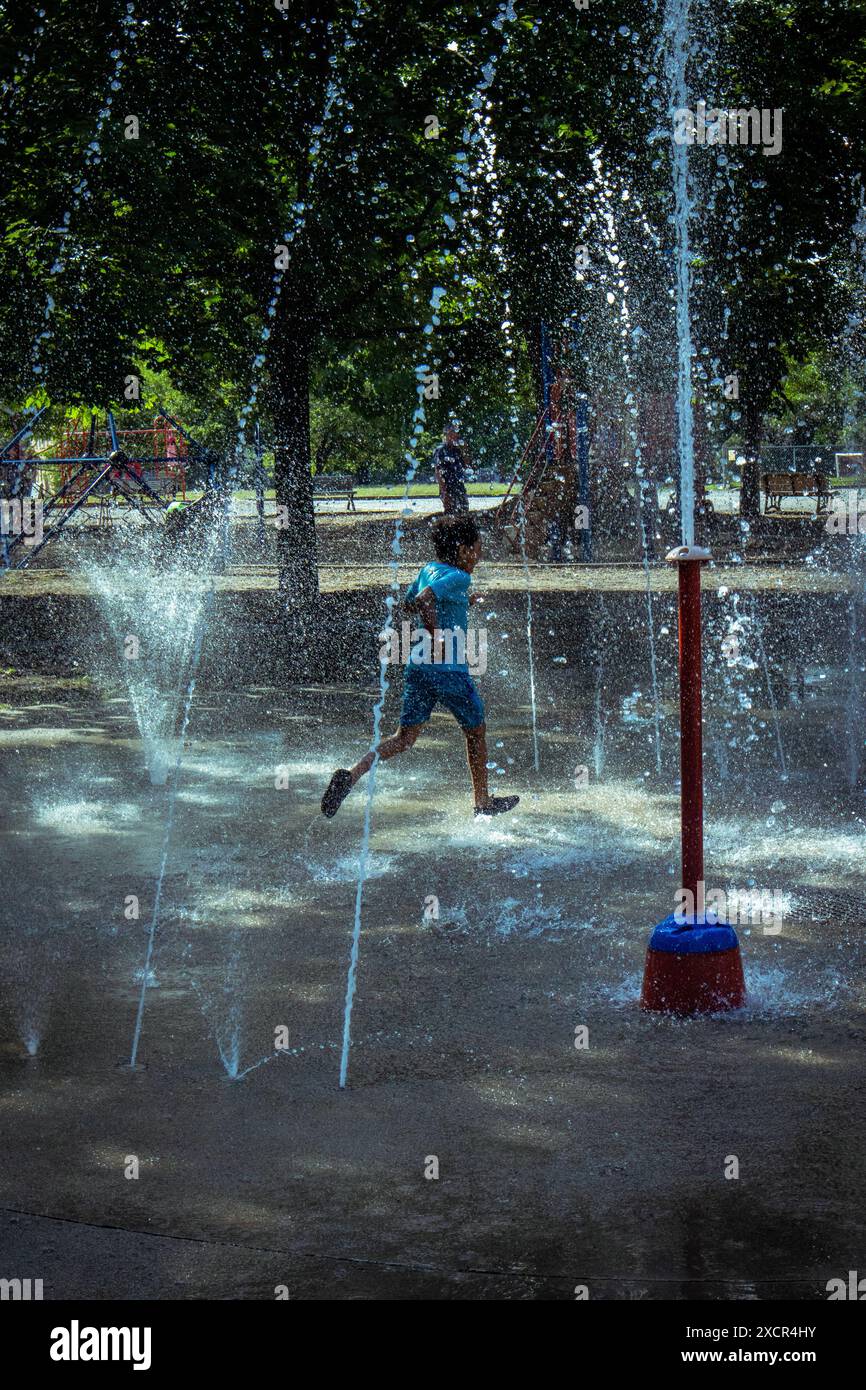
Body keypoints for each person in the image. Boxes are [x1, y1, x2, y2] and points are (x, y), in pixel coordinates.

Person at [321, 512, 519, 819]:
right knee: (476, 732)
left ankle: (351, 774)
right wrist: (438, 636)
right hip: (448, 669)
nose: (479, 556)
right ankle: (482, 802)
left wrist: (462, 603)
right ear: (463, 549)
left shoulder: (429, 569)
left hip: (418, 666)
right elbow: (426, 600)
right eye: (477, 549)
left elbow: (409, 602)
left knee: (404, 738)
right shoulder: (460, 576)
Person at [432, 424, 469, 515]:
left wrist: (464, 449)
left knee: (464, 510)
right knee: (450, 513)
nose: (455, 436)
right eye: (452, 434)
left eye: (456, 434)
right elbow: (438, 471)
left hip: (459, 486)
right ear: (447, 435)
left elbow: (467, 464)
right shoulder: (441, 450)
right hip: (447, 487)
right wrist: (444, 491)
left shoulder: (457, 450)